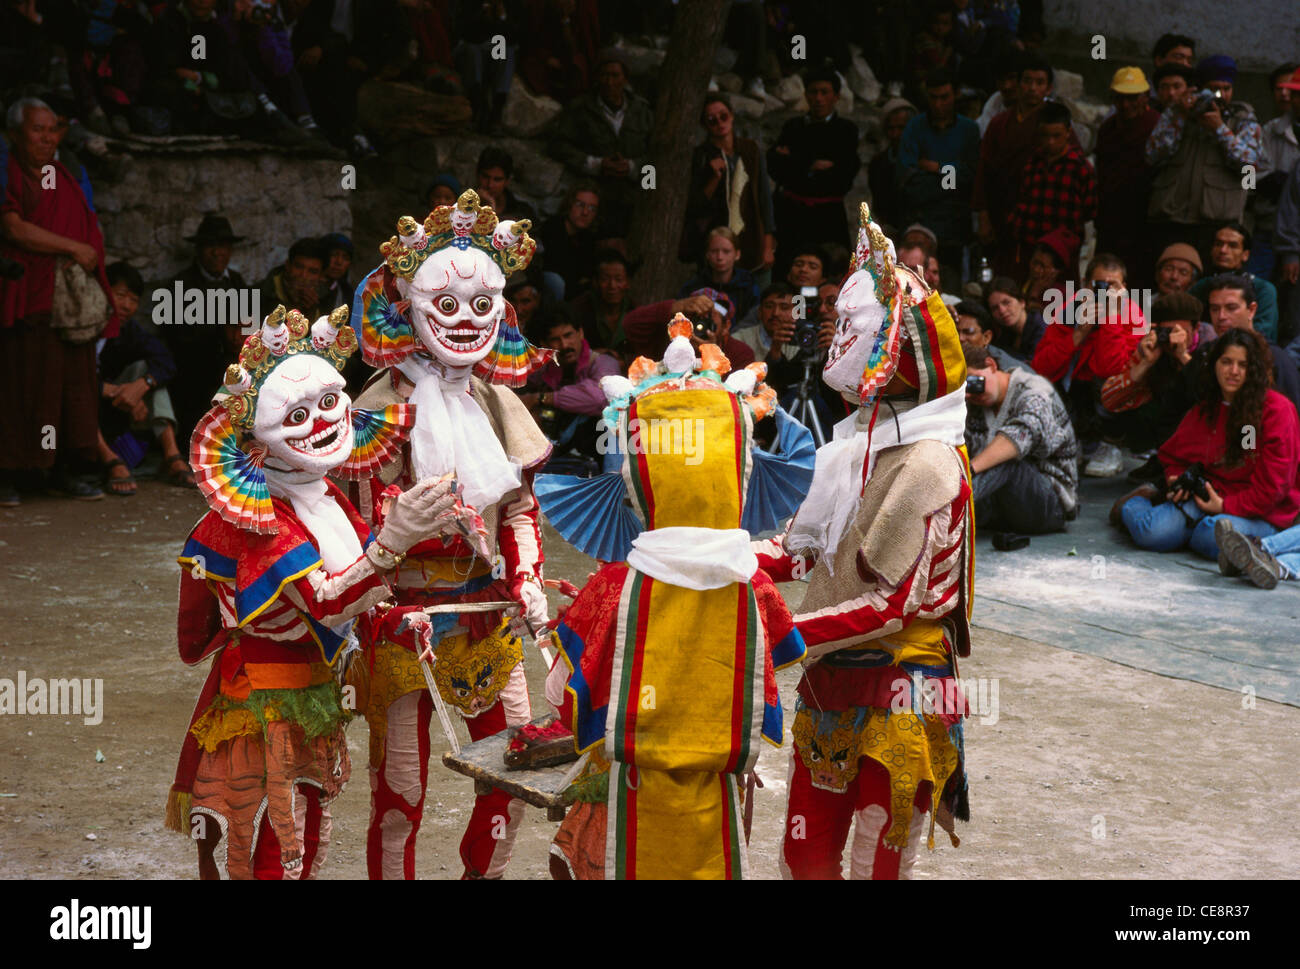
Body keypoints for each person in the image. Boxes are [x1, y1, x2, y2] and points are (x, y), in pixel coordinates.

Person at [164, 303, 461, 879]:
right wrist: (390, 546)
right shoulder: (262, 519)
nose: (323, 422)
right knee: (273, 834)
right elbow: (326, 602)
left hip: (312, 681)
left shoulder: (323, 491)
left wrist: (398, 616)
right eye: (296, 415)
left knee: (300, 823)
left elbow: (353, 600)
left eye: (328, 403)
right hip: (266, 694)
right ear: (257, 443)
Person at [540, 326, 810, 879]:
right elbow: (773, 679)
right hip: (719, 785)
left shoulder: (614, 588)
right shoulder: (753, 585)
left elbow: (564, 702)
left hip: (633, 794)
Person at [759, 205, 974, 880]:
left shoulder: (932, 465)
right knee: (805, 854)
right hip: (835, 674)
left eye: (852, 327)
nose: (835, 337)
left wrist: (776, 631)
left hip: (905, 681)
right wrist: (718, 562)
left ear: (898, 351)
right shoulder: (855, 445)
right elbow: (802, 548)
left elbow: (891, 603)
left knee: (877, 856)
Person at [348, 189, 553, 880]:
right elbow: (360, 527)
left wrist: (525, 578)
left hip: (487, 616)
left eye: (480, 304)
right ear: (406, 305)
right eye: (447, 304)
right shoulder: (378, 410)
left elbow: (519, 510)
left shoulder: (497, 401)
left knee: (514, 778)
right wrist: (397, 539)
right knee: (401, 793)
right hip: (405, 621)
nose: (466, 320)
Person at [0, 97, 116, 506]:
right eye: (38, 129)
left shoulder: (62, 174)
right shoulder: (11, 174)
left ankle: (69, 467)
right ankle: (14, 471)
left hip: (71, 302)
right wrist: (73, 248)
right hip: (28, 297)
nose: (48, 138)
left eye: (53, 130)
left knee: (74, 389)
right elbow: (13, 229)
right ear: (15, 133)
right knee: (25, 387)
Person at [1115, 329, 1300, 563]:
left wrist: (1225, 505)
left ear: (1254, 370)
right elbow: (1172, 455)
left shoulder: (1275, 411)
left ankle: (1194, 532)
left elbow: (1273, 487)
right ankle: (1134, 505)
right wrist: (1177, 477)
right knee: (1152, 533)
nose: (1233, 371)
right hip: (1208, 498)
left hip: (1262, 512)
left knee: (1210, 534)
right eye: (1226, 362)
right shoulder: (1207, 408)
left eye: (1242, 365)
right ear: (1215, 365)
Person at [1145, 55, 1262, 257]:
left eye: (1227, 89)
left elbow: (1249, 165)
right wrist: (1180, 116)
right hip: (1171, 220)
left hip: (1217, 224)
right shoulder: (1176, 113)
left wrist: (1220, 130)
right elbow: (1152, 155)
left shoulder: (1242, 119)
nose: (1221, 95)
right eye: (1214, 88)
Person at [1099, 291, 1216, 482]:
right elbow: (1109, 401)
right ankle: (1162, 460)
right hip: (1166, 427)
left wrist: (1183, 357)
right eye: (1167, 331)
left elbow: (1216, 398)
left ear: (1196, 328)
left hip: (1207, 431)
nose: (1172, 338)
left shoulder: (1212, 348)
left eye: (1180, 331)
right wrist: (1145, 364)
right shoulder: (1153, 349)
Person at [963, 343, 1078, 534]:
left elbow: (1022, 434)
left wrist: (969, 470)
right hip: (999, 506)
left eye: (974, 384)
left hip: (1048, 504)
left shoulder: (1035, 390)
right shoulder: (973, 403)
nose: (969, 394)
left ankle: (947, 510)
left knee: (1004, 458)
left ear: (991, 365)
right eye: (963, 390)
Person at [974, 54, 1072, 277]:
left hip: (1041, 212)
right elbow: (984, 170)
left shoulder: (1055, 125)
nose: (1032, 88)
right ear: (1018, 85)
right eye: (1027, 81)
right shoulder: (999, 123)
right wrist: (983, 215)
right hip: (1002, 210)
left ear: (1048, 89)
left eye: (1039, 83)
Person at [97, 262, 187, 496]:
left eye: (134, 300)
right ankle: (110, 461)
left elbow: (166, 360)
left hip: (116, 411)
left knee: (149, 372)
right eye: (120, 296)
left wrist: (141, 385)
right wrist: (110, 390)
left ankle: (171, 455)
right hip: (87, 411)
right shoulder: (85, 324)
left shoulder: (129, 331)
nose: (127, 306)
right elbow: (70, 376)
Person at [163, 214, 254, 440]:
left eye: (222, 246)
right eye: (210, 246)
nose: (217, 253)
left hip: (232, 366)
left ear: (230, 250)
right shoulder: (180, 285)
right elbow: (176, 338)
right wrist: (219, 332)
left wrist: (241, 338)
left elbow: (249, 326)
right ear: (199, 250)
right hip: (195, 372)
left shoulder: (237, 281)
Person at [548, 50, 653, 240]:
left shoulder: (642, 110)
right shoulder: (580, 108)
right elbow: (558, 145)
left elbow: (656, 152)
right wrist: (595, 163)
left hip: (633, 193)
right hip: (593, 191)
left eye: (615, 75)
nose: (609, 82)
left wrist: (631, 167)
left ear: (625, 78)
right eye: (604, 75)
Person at [767, 66, 860, 263]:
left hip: (828, 217)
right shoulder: (792, 127)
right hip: (792, 215)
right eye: (813, 92)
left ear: (835, 96)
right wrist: (810, 164)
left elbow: (843, 176)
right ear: (806, 95)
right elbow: (775, 167)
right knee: (790, 268)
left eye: (824, 92)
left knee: (831, 270)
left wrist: (794, 161)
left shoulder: (846, 131)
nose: (818, 98)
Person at [681, 93, 776, 276]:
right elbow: (695, 206)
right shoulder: (701, 156)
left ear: (731, 115)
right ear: (705, 125)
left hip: (752, 235)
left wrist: (768, 245)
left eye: (723, 116)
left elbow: (764, 198)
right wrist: (714, 177)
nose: (720, 123)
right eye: (712, 120)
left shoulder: (750, 149)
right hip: (716, 240)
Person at [897, 69, 980, 277]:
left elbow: (969, 177)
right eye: (933, 98)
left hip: (955, 224)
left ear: (956, 95)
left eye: (944, 97)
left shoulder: (969, 130)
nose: (938, 104)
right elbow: (907, 179)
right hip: (919, 218)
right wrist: (950, 177)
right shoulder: (915, 127)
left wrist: (938, 168)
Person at [520, 309, 620, 474]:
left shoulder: (603, 363)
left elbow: (599, 398)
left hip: (601, 453)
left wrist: (541, 398)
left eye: (568, 336)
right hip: (560, 455)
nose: (565, 345)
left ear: (580, 333)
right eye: (555, 340)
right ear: (544, 343)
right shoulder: (544, 372)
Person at [1005, 101, 1097, 276]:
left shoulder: (1080, 168)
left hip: (1064, 252)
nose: (1051, 142)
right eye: (1045, 136)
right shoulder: (1031, 164)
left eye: (1057, 136)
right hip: (1030, 246)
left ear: (1068, 133)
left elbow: (1089, 211)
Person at [1095, 67, 1161, 290]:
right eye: (1120, 98)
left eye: (1132, 98)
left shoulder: (1157, 126)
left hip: (1145, 224)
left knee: (1139, 286)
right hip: (1111, 222)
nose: (1125, 105)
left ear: (1145, 97)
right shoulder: (1107, 129)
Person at [1204, 274, 1300, 411]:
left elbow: (1291, 418)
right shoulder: (1205, 354)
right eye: (1215, 309)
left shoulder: (1276, 359)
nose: (1221, 316)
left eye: (1231, 308)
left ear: (1252, 310)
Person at [623, 287, 756, 369]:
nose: (700, 323)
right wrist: (675, 306)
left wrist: (712, 356)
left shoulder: (740, 354)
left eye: (708, 317)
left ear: (726, 327)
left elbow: (733, 400)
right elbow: (629, 324)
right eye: (695, 316)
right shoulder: (668, 339)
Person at [1188, 222, 1279, 342]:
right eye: (1218, 244)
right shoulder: (1203, 286)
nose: (1223, 250)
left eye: (1232, 245)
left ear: (1245, 255)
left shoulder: (1263, 289)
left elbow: (1262, 334)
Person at [1254, 67, 1300, 283]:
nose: (1286, 95)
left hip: (1294, 229)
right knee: (1255, 284)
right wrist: (1260, 183)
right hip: (1268, 225)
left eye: (1290, 90)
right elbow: (1246, 175)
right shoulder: (1268, 130)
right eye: (1279, 89)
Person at [677, 226, 759, 321]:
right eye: (714, 251)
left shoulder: (747, 286)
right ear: (707, 254)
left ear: (737, 254)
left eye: (726, 251)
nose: (720, 257)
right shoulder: (693, 286)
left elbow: (752, 321)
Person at [568, 248, 634, 362]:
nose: (612, 286)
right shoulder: (578, 309)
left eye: (619, 279)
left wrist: (624, 360)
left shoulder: (636, 312)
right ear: (595, 282)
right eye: (605, 279)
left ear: (627, 283)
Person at [536, 182, 599, 300]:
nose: (585, 212)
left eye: (592, 208)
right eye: (580, 205)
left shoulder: (588, 239)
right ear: (570, 205)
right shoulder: (553, 227)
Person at [867, 96, 917, 230]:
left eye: (901, 128)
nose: (896, 134)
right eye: (891, 128)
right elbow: (878, 203)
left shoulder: (928, 158)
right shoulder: (878, 163)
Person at [259, 236, 326, 322]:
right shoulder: (257, 295)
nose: (304, 275)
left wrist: (310, 313)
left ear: (321, 277)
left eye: (312, 271)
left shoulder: (326, 300)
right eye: (299, 267)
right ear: (287, 266)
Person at [987, 275, 1045, 361]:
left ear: (1022, 302)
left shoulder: (1041, 328)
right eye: (995, 308)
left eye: (1006, 302)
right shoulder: (1005, 332)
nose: (1002, 311)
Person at [474, 145, 537, 225]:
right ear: (477, 175)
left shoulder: (523, 212)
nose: (490, 185)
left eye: (497, 180)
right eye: (485, 177)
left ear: (507, 181)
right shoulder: (464, 208)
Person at [321, 232, 355, 314]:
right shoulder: (307, 287)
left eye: (345, 258)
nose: (339, 262)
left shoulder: (347, 295)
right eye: (334, 254)